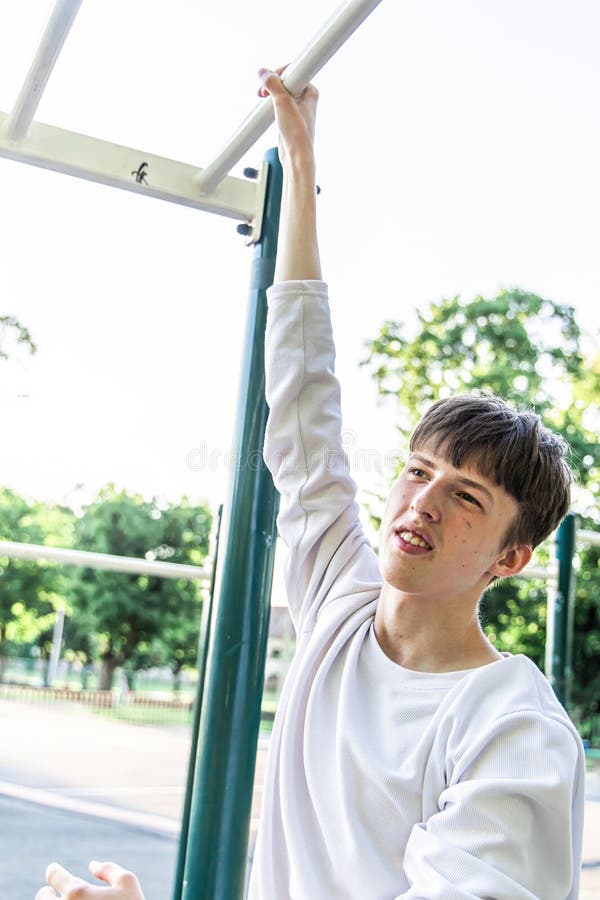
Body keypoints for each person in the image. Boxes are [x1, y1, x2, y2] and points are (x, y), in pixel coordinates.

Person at [36, 68, 584, 900]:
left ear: (511, 558)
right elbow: (303, 407)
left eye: (466, 496)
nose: (423, 503)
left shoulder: (511, 725)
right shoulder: (342, 604)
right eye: (417, 470)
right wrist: (299, 166)